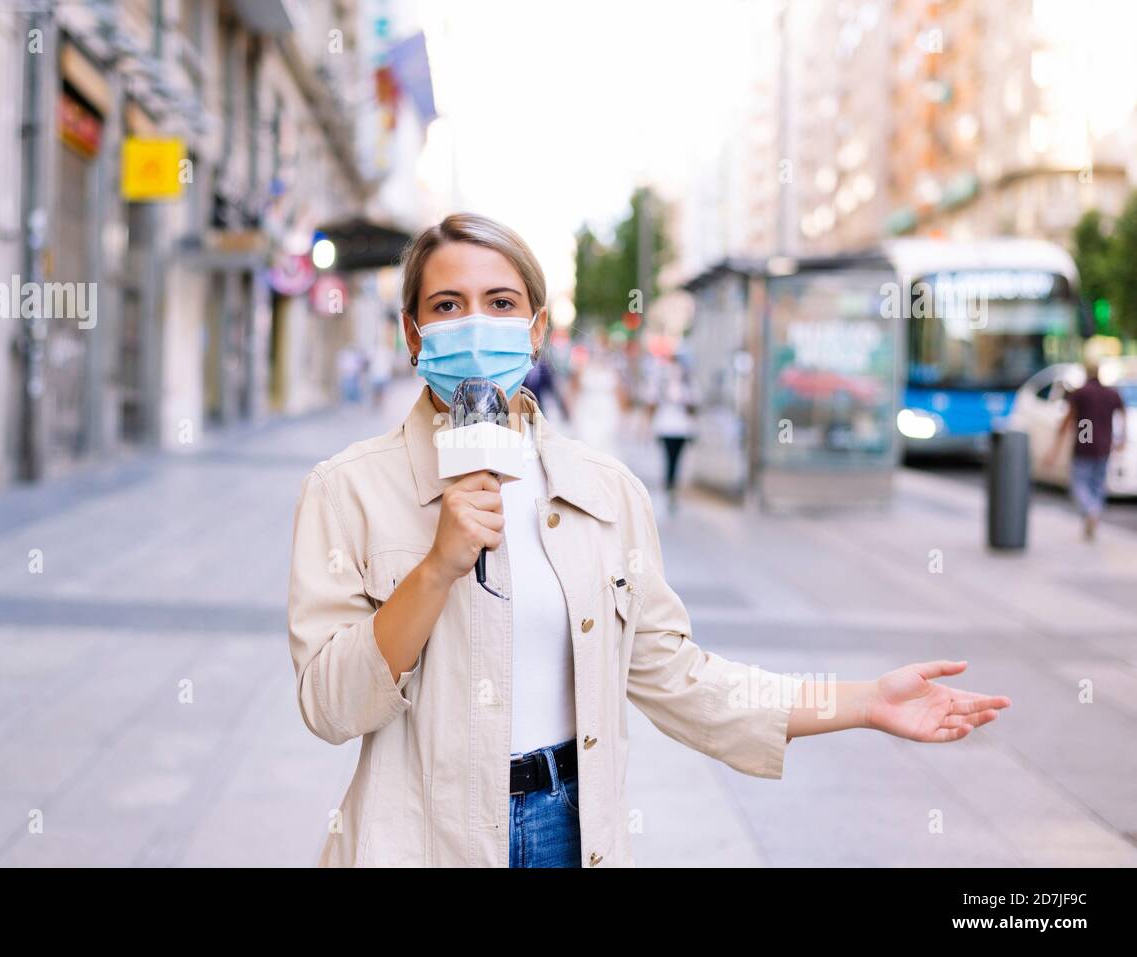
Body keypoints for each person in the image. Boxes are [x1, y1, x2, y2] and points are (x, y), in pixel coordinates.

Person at [286, 212, 1010, 868]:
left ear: (537, 329)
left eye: (501, 303)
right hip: (416, 839)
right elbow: (329, 705)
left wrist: (864, 700)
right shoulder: (347, 488)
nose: (476, 324)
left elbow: (679, 676)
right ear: (413, 333)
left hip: (569, 830)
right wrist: (436, 569)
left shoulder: (606, 491)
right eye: (448, 305)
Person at [1045, 357, 1126, 540]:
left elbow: (1068, 420)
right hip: (1104, 445)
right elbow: (1123, 413)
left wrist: (1054, 450)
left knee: (1079, 483)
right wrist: (1122, 439)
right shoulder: (1111, 394)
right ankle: (1094, 511)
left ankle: (1090, 510)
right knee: (1097, 484)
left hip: (1085, 444)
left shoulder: (1081, 394)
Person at [649, 350, 700, 515]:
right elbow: (652, 403)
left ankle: (672, 483)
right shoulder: (661, 382)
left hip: (682, 429)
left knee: (677, 458)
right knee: (668, 457)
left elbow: (695, 406)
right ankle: (669, 483)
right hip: (665, 427)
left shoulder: (689, 384)